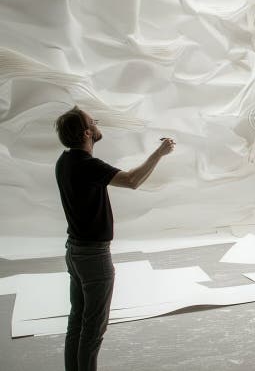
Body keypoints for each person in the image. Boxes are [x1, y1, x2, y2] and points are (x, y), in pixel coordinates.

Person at [54, 106, 175, 371]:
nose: (97, 125)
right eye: (92, 122)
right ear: (87, 133)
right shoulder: (87, 165)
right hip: (93, 258)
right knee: (93, 330)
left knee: (77, 322)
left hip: (74, 252)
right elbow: (132, 180)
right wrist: (160, 153)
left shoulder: (64, 161)